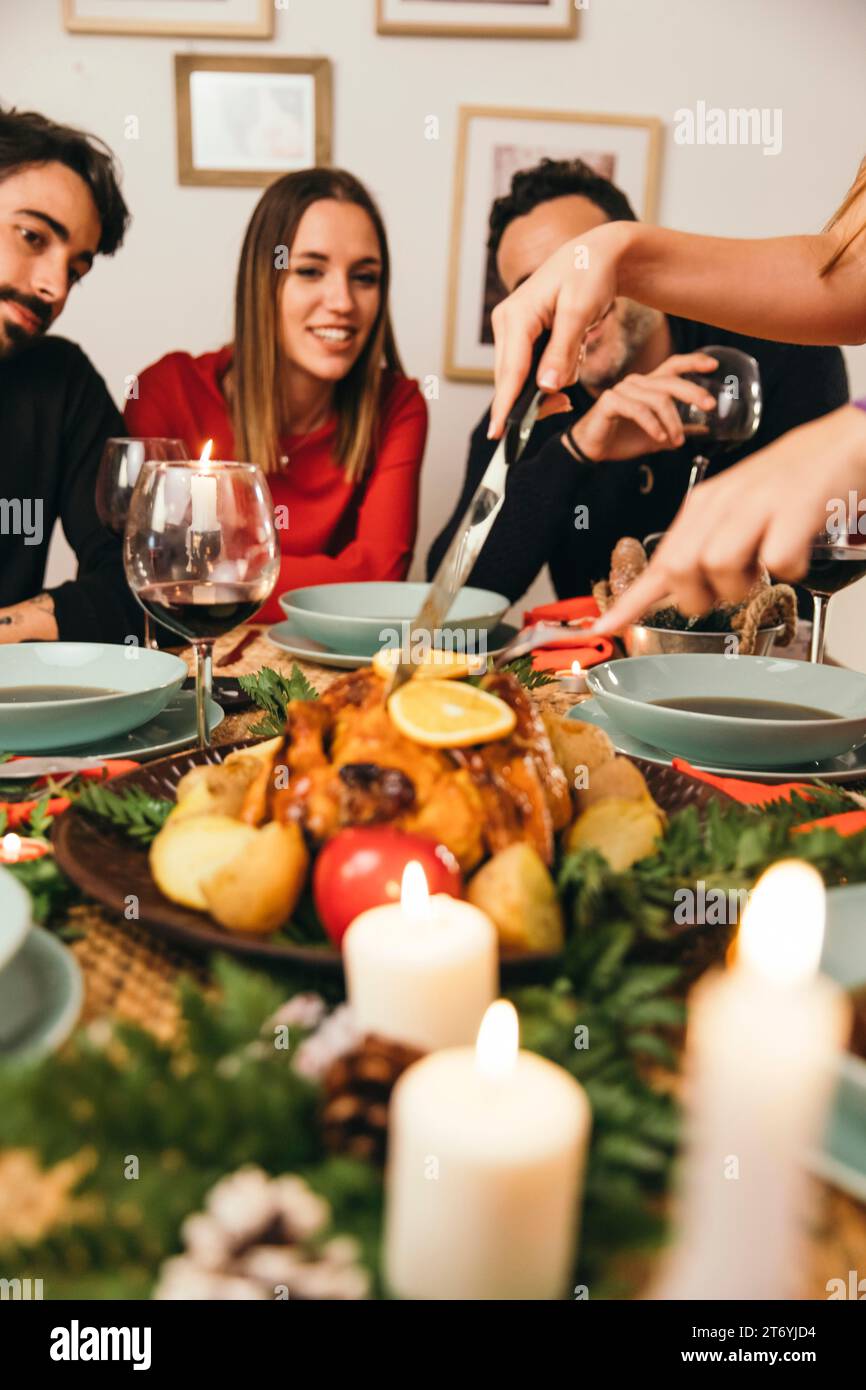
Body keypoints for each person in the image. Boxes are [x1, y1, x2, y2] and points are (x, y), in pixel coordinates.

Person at [427, 159, 848, 604]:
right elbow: (448, 603)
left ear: (633, 262)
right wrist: (576, 450)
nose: (572, 302)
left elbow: (824, 554)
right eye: (538, 287)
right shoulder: (528, 414)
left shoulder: (783, 355)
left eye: (580, 268)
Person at [126, 168, 428, 624]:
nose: (343, 301)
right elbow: (157, 569)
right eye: (310, 271)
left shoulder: (399, 405)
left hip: (330, 674)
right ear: (261, 280)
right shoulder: (167, 391)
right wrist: (330, 581)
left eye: (365, 278)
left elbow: (380, 578)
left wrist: (218, 570)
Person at [0, 106, 142, 643]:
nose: (55, 288)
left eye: (75, 271)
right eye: (33, 237)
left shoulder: (60, 382)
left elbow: (140, 577)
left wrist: (22, 622)